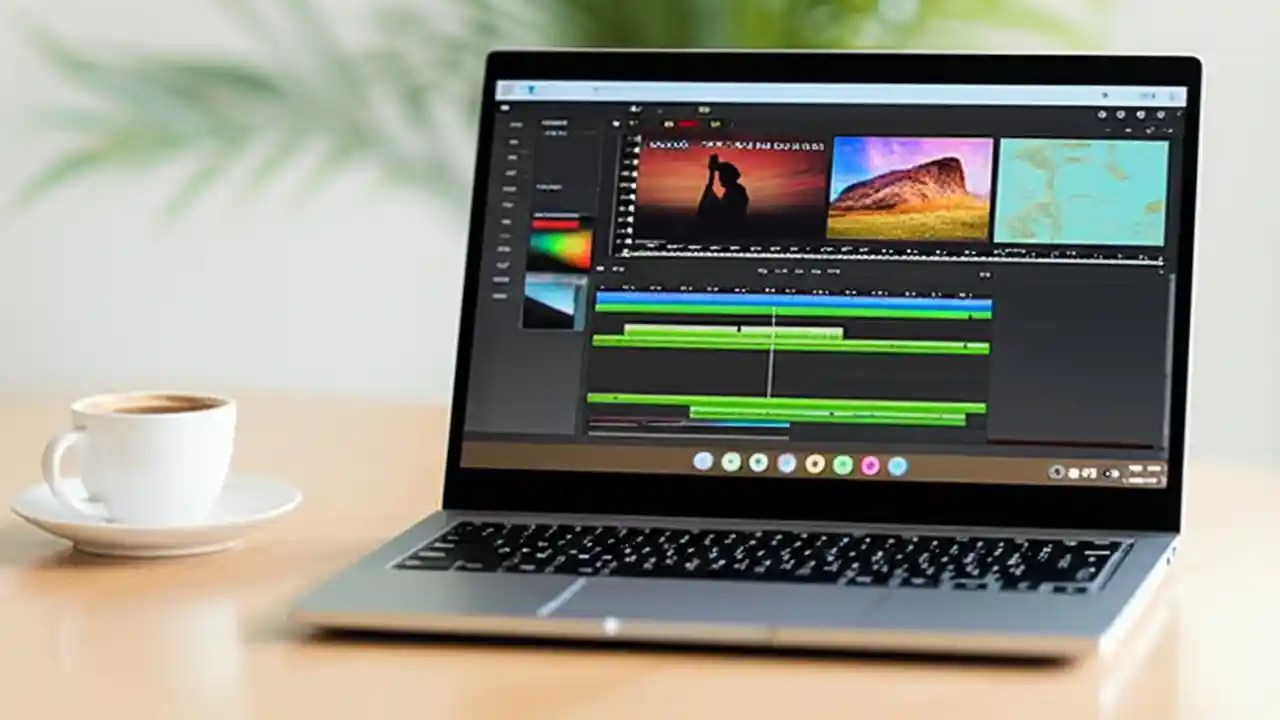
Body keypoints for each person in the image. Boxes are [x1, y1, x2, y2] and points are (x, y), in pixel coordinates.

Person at [695, 153, 749, 238]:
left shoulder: (737, 192)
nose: (720, 178)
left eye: (722, 175)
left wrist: (711, 176)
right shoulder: (733, 191)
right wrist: (711, 174)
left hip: (731, 232)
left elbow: (725, 213)